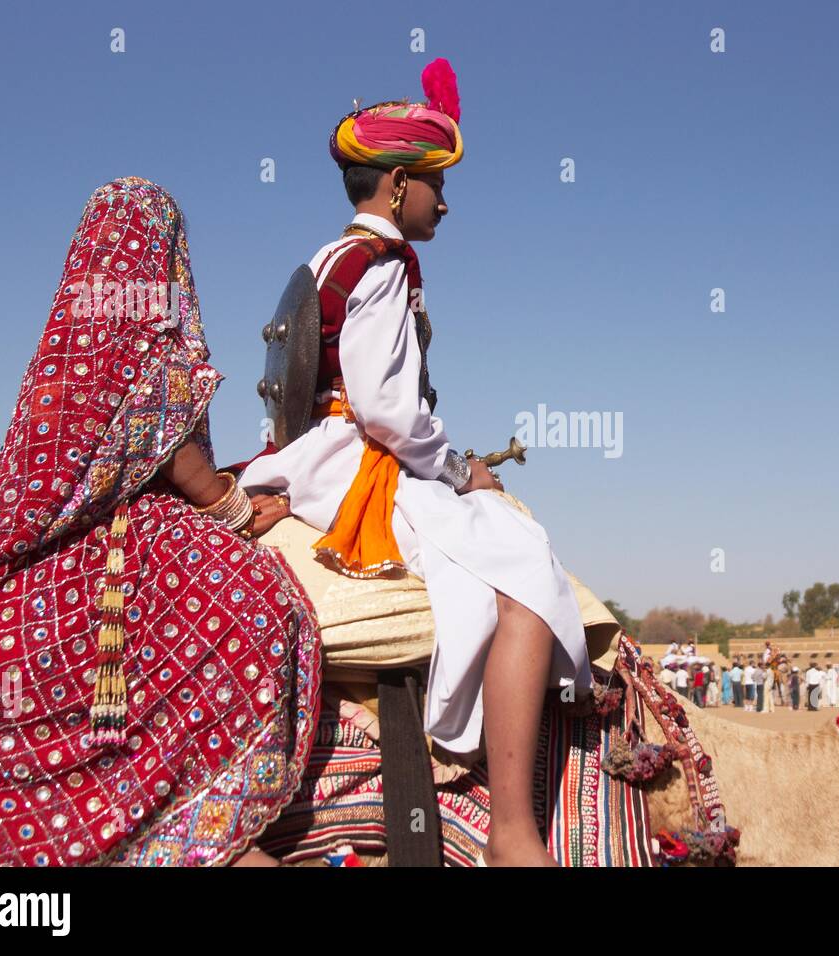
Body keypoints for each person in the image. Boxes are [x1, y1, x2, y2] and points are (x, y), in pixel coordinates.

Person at [238, 61, 592, 866]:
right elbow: (387, 409)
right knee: (524, 561)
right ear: (398, 185)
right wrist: (463, 470)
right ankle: (512, 831)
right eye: (436, 185)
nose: (446, 201)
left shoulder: (329, 257)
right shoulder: (385, 266)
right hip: (357, 466)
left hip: (318, 454)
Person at [0, 178, 321, 867]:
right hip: (132, 552)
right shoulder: (150, 354)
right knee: (254, 603)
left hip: (28, 576)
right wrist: (230, 508)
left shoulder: (57, 366)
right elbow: (175, 452)